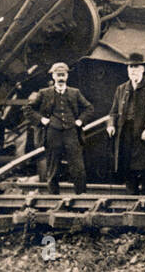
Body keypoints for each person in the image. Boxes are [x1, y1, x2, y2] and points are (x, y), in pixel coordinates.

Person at [25, 62, 94, 195]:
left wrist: (80, 120)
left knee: (78, 167)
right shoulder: (44, 93)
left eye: (63, 75)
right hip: (52, 134)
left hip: (71, 134)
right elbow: (28, 109)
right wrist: (42, 120)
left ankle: (81, 195)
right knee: (53, 167)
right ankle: (53, 196)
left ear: (67, 76)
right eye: (58, 75)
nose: (61, 78)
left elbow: (89, 108)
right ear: (53, 76)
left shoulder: (75, 92)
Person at [107, 52, 145, 194]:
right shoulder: (122, 88)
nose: (133, 70)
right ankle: (131, 199)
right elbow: (113, 111)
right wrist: (110, 124)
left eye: (136, 66)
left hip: (144, 133)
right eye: (130, 67)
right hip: (125, 131)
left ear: (143, 69)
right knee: (128, 167)